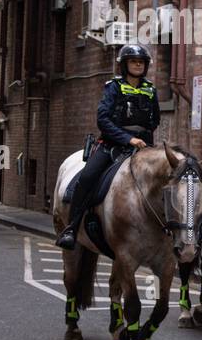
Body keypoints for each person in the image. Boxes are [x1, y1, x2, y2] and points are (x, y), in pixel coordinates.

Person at [56, 44, 160, 250]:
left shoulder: (150, 89)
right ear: (124, 65)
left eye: (141, 62)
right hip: (112, 145)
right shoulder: (113, 87)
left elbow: (154, 120)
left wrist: (144, 142)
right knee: (87, 178)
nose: (138, 65)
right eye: (133, 61)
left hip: (142, 147)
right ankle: (71, 228)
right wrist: (127, 139)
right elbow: (103, 120)